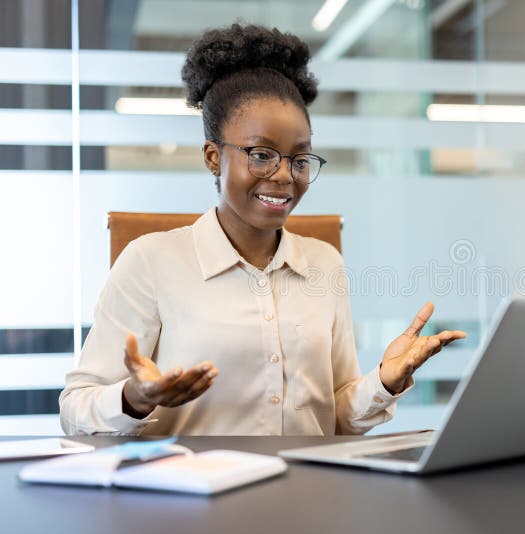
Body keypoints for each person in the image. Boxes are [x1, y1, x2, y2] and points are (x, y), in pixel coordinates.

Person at [59, 23, 466, 436]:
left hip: (306, 490)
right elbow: (75, 410)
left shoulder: (325, 262)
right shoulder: (150, 261)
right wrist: (135, 397)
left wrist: (385, 381)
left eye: (300, 160)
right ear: (214, 157)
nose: (285, 176)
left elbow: (334, 417)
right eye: (261, 155)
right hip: (195, 493)